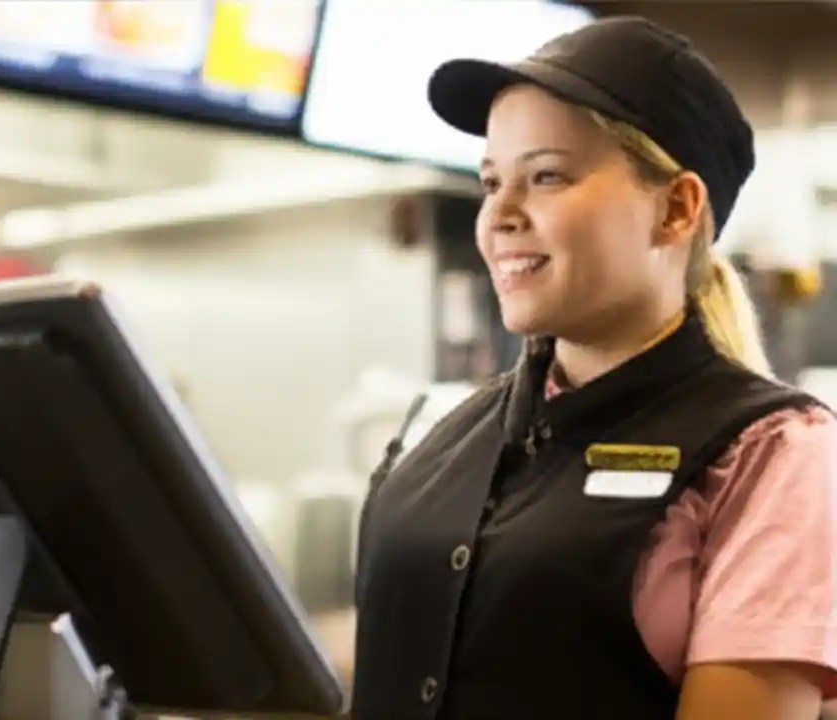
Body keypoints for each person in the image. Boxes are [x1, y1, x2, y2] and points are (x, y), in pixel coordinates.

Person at [348, 16, 837, 720]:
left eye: (546, 175)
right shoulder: (442, 425)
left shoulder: (769, 451)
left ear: (675, 209)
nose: (500, 215)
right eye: (492, 182)